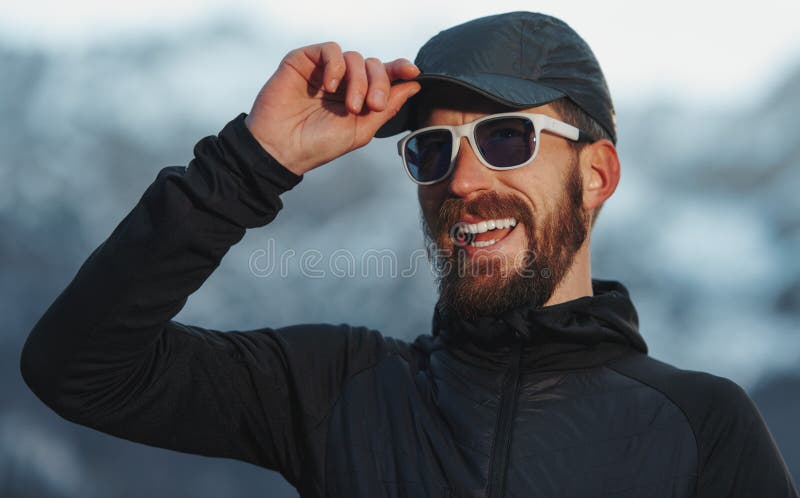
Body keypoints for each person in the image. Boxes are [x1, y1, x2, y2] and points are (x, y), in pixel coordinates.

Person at [20, 11, 798, 498]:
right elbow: (79, 368)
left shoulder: (702, 428)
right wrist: (255, 160)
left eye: (504, 137)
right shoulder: (344, 392)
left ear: (595, 176)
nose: (462, 179)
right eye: (431, 149)